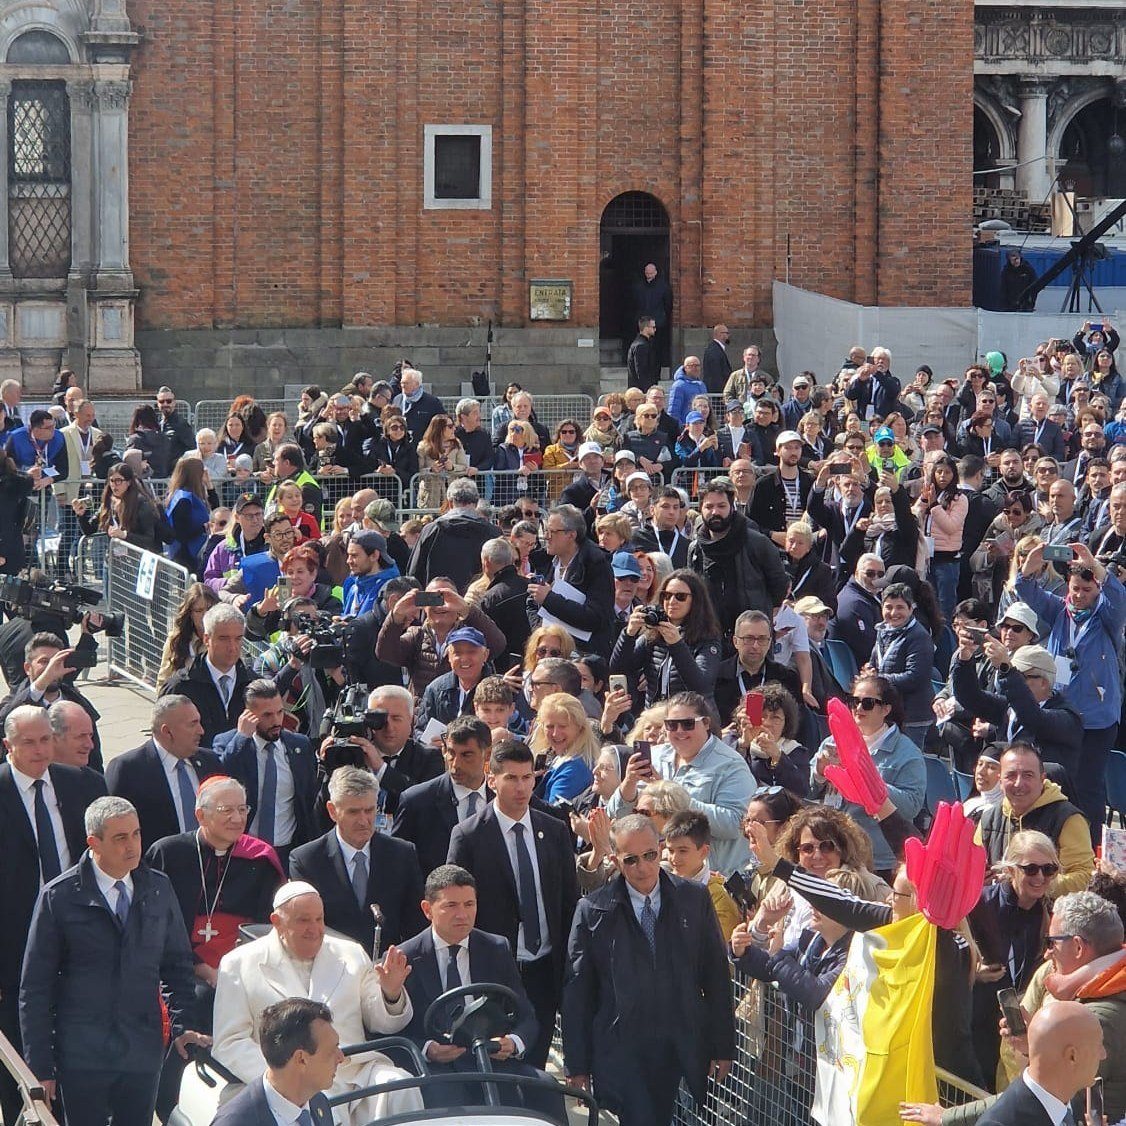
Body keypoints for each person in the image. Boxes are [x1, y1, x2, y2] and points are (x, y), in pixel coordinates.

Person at [19, 796, 210, 1126]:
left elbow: (177, 965)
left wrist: (182, 1025)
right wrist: (41, 1066)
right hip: (82, 1055)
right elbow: (35, 988)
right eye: (121, 838)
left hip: (141, 1050)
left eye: (136, 834)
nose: (133, 845)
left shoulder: (158, 889)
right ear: (94, 842)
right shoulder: (60, 897)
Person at [561, 812, 735, 1126]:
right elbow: (578, 989)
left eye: (650, 855)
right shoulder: (593, 911)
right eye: (631, 860)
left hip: (677, 1039)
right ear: (615, 860)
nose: (642, 867)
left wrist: (723, 1044)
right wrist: (577, 1064)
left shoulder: (692, 898)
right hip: (622, 1042)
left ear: (660, 849)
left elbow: (715, 974)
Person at [212, 881, 421, 1126]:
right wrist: (285, 1076)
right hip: (292, 1080)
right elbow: (229, 1041)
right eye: (303, 920)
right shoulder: (238, 964)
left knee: (401, 1086)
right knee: (319, 1100)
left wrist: (390, 993)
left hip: (353, 1069)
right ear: (277, 921)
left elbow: (379, 1020)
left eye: (319, 919)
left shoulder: (350, 953)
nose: (314, 929)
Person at [144, 775, 284, 1120]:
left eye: (243, 809)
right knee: (192, 1001)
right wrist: (201, 968)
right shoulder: (169, 852)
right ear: (201, 815)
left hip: (240, 967)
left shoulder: (260, 859)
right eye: (227, 810)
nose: (238, 819)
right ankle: (172, 1100)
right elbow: (153, 922)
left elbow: (269, 928)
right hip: (177, 967)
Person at [0, 706, 105, 1123]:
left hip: (78, 949)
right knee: (22, 1078)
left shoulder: (83, 786)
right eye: (29, 742)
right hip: (14, 957)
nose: (40, 749)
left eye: (45, 739)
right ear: (8, 745)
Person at [447, 739, 579, 1069]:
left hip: (545, 967)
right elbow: (456, 905)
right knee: (497, 1060)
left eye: (527, 778)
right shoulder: (469, 836)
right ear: (492, 780)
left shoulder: (554, 829)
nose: (521, 788)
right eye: (511, 778)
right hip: (496, 971)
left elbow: (569, 900)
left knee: (534, 1060)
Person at [398, 864, 565, 1121]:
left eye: (469, 904)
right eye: (451, 906)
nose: (462, 915)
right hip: (436, 1068)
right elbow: (389, 1029)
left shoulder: (495, 947)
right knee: (448, 1098)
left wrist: (514, 1042)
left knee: (546, 1087)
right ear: (427, 910)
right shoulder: (405, 957)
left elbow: (526, 1014)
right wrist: (428, 1049)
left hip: (491, 1058)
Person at [1016, 540, 1126, 836]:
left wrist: (1094, 565)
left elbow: (1119, 598)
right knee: (1058, 780)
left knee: (1088, 787)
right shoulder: (1059, 611)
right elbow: (1026, 590)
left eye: (1086, 591)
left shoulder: (1107, 620)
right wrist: (1035, 560)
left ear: (1097, 592)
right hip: (1063, 714)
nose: (1078, 596)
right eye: (1074, 589)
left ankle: (1089, 849)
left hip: (1097, 719)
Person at [606, 691, 755, 874]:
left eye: (687, 724)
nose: (680, 731)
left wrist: (673, 796)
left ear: (706, 723)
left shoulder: (730, 764)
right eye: (671, 725)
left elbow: (735, 825)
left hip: (713, 877)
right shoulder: (656, 755)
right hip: (657, 872)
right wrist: (629, 783)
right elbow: (615, 815)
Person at [290, 766, 424, 949]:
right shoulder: (307, 861)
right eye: (353, 812)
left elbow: (415, 925)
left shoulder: (402, 854)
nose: (363, 821)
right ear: (332, 811)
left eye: (369, 810)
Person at [809, 676, 926, 881]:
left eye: (868, 703)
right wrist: (820, 772)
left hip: (877, 860)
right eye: (854, 701)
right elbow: (808, 790)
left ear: (886, 709)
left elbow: (912, 806)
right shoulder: (832, 741)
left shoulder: (907, 752)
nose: (858, 708)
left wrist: (869, 780)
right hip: (834, 853)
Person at [213, 679, 319, 862]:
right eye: (267, 715)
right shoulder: (228, 743)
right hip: (243, 849)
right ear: (248, 716)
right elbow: (218, 781)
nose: (276, 721)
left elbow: (309, 797)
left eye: (279, 712)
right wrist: (241, 738)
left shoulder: (299, 745)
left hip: (288, 849)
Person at [951, 637, 1082, 782]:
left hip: (1045, 797)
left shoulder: (1068, 718)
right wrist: (964, 659)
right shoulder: (1008, 706)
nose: (1015, 680)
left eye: (1020, 676)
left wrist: (1008, 672)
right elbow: (970, 697)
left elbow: (1033, 718)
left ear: (1044, 683)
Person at [974, 743, 1094, 895]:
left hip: (1050, 914)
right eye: (1011, 775)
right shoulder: (989, 819)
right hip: (996, 913)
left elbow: (1085, 878)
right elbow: (969, 869)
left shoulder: (1067, 819)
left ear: (1042, 779)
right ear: (1000, 781)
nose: (1019, 783)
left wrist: (1035, 884)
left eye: (1028, 775)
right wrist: (977, 881)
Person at [106, 695, 221, 851]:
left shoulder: (210, 761)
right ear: (167, 731)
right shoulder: (128, 769)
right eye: (192, 724)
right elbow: (115, 829)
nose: (201, 731)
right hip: (157, 867)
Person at [209, 997, 340, 1125]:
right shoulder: (234, 1122)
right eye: (331, 1052)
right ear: (301, 1059)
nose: (341, 1058)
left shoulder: (318, 1103)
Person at [392, 715, 492, 877]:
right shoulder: (416, 802)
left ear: (487, 754)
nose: (455, 764)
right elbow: (397, 865)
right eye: (451, 753)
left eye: (466, 755)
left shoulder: (502, 799)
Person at [687, 479, 789, 635]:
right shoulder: (695, 549)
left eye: (721, 506)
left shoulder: (757, 542)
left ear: (731, 508)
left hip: (751, 634)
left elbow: (779, 585)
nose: (715, 512)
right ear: (701, 509)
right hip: (711, 633)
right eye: (709, 506)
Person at [977, 1002, 1105, 1125]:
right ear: (1072, 1056)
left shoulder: (1074, 1101)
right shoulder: (1000, 1123)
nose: (1103, 1055)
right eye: (1098, 1045)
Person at [0, 630, 105, 771]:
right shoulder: (15, 702)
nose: (52, 667)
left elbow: (95, 761)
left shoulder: (78, 705)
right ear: (27, 668)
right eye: (44, 662)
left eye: (57, 661)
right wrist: (41, 683)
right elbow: (5, 720)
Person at [527, 503, 616, 658]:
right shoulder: (544, 561)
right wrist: (543, 634)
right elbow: (532, 604)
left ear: (571, 535)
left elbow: (595, 617)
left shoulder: (596, 564)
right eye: (546, 531)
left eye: (552, 532)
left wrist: (549, 599)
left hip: (583, 658)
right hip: (548, 654)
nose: (546, 536)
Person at [160, 603, 253, 748]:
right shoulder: (180, 687)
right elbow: (164, 740)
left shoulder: (253, 685)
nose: (232, 647)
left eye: (238, 638)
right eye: (223, 638)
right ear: (206, 639)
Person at [407, 477, 499, 592]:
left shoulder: (431, 530)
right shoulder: (493, 532)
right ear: (476, 503)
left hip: (437, 601)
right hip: (478, 603)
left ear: (450, 503)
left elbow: (414, 572)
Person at [663, 810, 742, 941]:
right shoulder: (661, 885)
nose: (674, 858)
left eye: (683, 851)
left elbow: (718, 949)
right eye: (670, 850)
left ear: (703, 852)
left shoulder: (718, 897)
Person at [528, 691, 597, 803]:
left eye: (563, 726)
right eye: (550, 726)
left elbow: (553, 814)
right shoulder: (558, 757)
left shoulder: (575, 768)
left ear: (579, 727)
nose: (555, 733)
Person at [164, 456, 212, 575]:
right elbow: (181, 533)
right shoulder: (183, 499)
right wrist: (203, 528)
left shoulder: (193, 494)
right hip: (186, 552)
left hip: (196, 550)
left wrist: (210, 485)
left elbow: (215, 508)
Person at [392, 366, 444, 442]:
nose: (402, 386)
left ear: (416, 384)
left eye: (406, 383)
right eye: (401, 383)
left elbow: (441, 424)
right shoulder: (397, 399)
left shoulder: (432, 402)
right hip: (401, 447)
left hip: (423, 447)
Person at [626, 315, 658, 391]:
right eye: (653, 327)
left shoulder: (642, 343)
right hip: (641, 390)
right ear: (646, 328)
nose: (655, 329)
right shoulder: (641, 345)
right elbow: (641, 371)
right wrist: (647, 390)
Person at [702, 324, 732, 392]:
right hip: (717, 391)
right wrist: (722, 392)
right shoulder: (714, 350)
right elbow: (716, 375)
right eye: (726, 333)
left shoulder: (716, 349)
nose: (728, 336)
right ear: (719, 334)